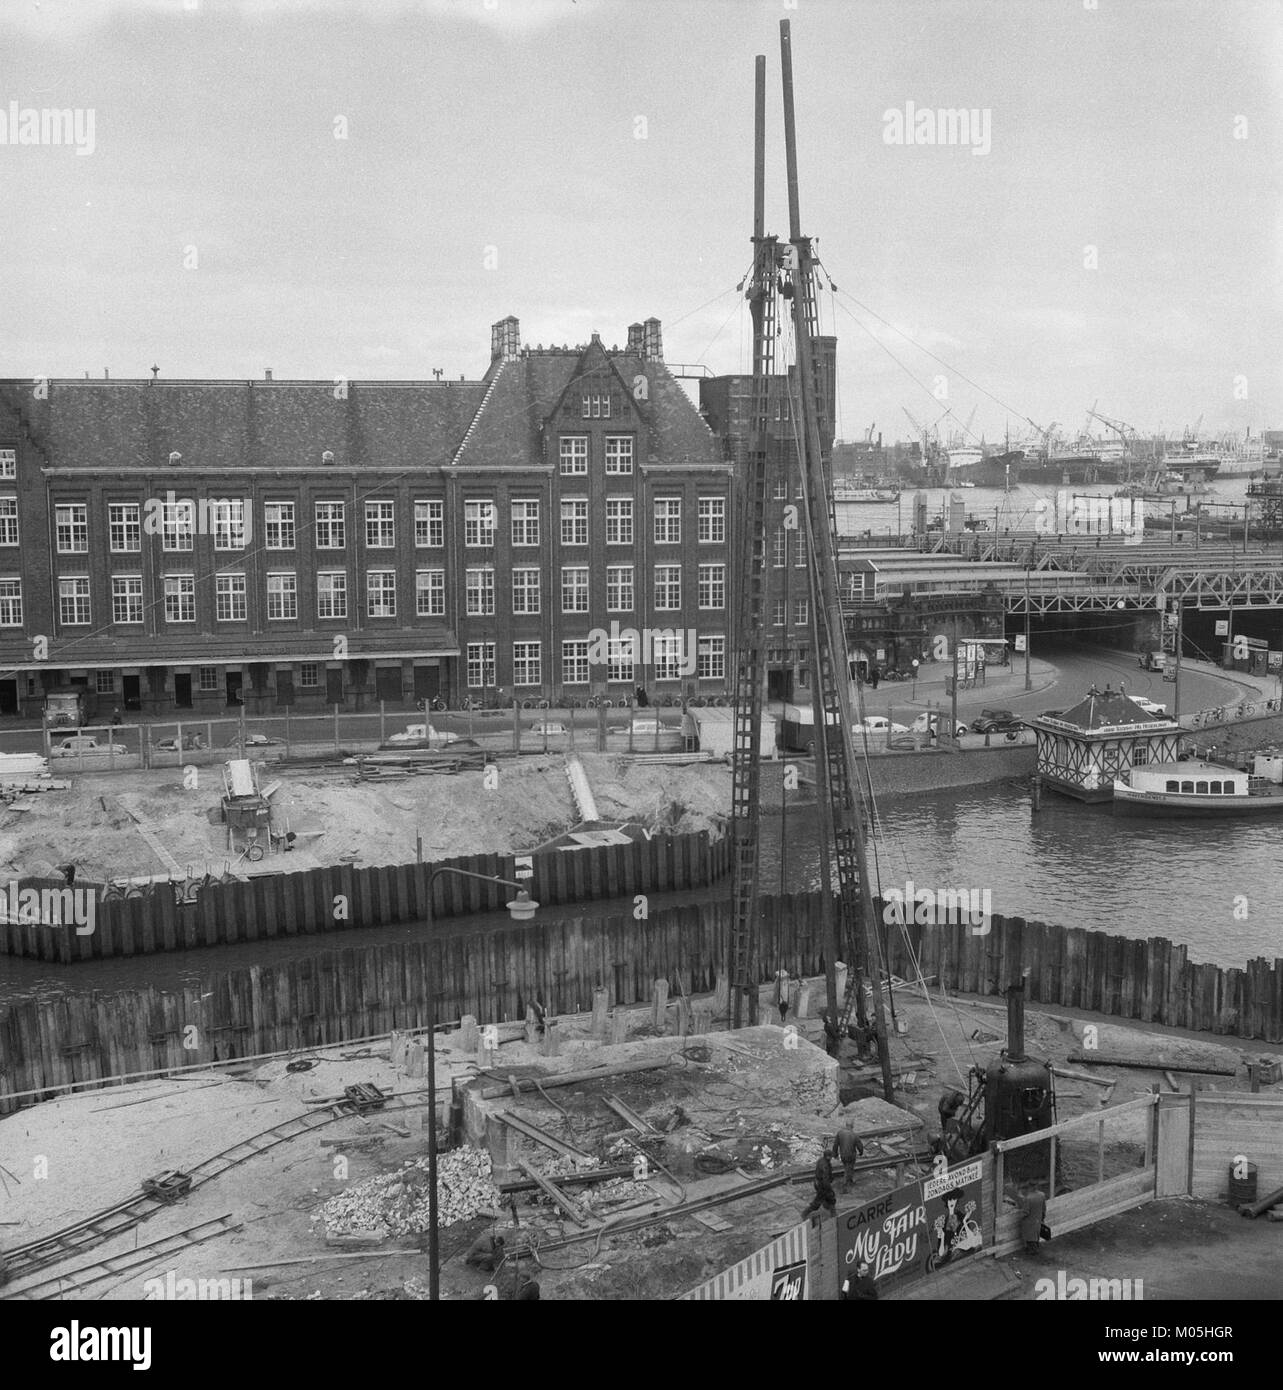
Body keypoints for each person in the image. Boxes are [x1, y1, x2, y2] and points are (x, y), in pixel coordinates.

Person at [801, 1152, 836, 1219]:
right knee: (819, 1201)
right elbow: (825, 1178)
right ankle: (805, 1213)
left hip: (817, 1182)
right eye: (830, 1156)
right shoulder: (825, 1165)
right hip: (822, 1185)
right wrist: (829, 1189)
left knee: (829, 1198)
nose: (831, 1158)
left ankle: (831, 1210)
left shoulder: (821, 1160)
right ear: (828, 1156)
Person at [1017, 1181, 1047, 1258]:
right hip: (1038, 1219)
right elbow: (1044, 1209)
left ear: (1030, 1187)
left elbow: (1026, 1212)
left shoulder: (1028, 1198)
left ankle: (1033, 1251)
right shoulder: (1042, 1195)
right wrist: (1042, 1217)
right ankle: (1035, 1248)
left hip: (1029, 1221)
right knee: (1036, 1235)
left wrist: (1019, 1216)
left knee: (1030, 1236)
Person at [832, 1126, 865, 1192]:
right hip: (851, 1156)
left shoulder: (840, 1133)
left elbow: (835, 1144)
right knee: (849, 1168)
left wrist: (835, 1154)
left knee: (847, 1167)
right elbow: (860, 1146)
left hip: (843, 1155)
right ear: (852, 1126)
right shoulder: (854, 1135)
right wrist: (861, 1153)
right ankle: (845, 1186)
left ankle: (850, 1180)